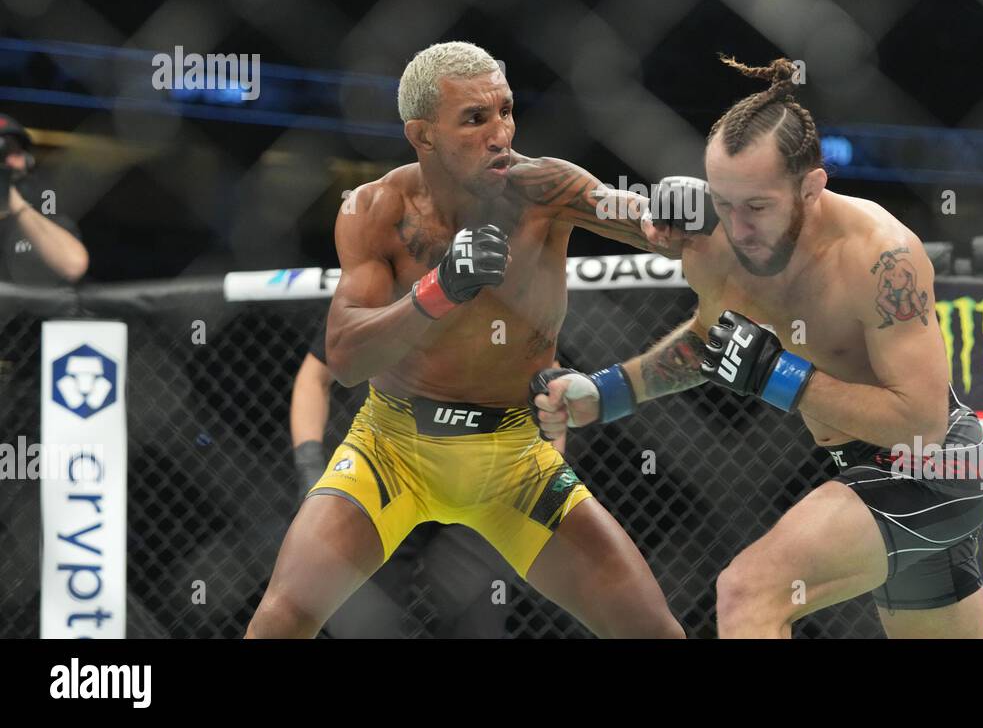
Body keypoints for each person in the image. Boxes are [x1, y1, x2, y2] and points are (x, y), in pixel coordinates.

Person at [531, 56, 983, 638]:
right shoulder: (721, 243)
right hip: (865, 472)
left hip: (935, 467)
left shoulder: (882, 256)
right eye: (723, 203)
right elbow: (711, 346)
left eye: (757, 207)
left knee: (749, 591)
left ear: (811, 187)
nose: (738, 227)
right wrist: (605, 392)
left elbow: (921, 425)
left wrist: (782, 375)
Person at [247, 41, 682, 639]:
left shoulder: (546, 187)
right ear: (422, 135)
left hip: (514, 455)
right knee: (281, 620)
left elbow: (640, 218)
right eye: (476, 119)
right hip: (392, 447)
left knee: (651, 632)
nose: (501, 133)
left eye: (505, 110)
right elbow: (344, 356)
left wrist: (676, 209)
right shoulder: (376, 209)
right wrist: (442, 287)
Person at [290, 315, 512, 638]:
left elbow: (546, 383)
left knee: (479, 627)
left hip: (476, 483)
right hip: (388, 477)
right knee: (363, 624)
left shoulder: (506, 296)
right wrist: (310, 468)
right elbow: (314, 376)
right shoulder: (383, 285)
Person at [0, 113, 88, 285]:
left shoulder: (45, 201)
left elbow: (72, 265)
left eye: (11, 150)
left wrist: (13, 200)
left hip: (31, 308)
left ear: (26, 159)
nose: (5, 161)